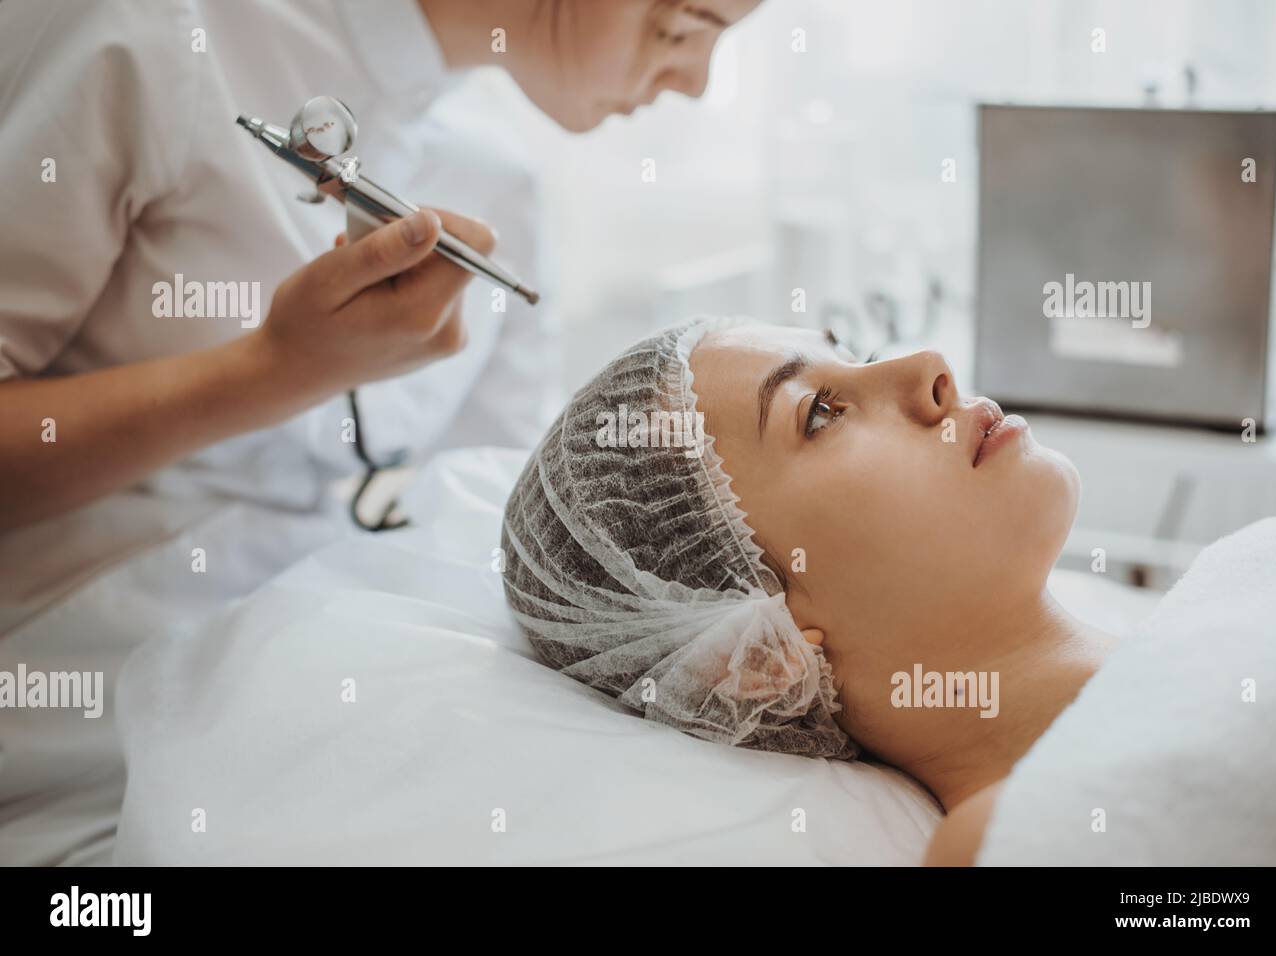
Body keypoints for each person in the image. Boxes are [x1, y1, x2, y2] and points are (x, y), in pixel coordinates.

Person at [0, 0, 759, 864]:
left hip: (296, 724)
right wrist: (270, 374)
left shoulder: (497, 179)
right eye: (695, 20)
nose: (696, 81)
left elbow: (500, 537)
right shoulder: (148, 34)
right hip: (68, 751)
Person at [499, 316, 1123, 863]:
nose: (929, 367)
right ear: (761, 654)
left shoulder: (1203, 613)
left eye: (863, 355)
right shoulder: (1022, 840)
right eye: (821, 414)